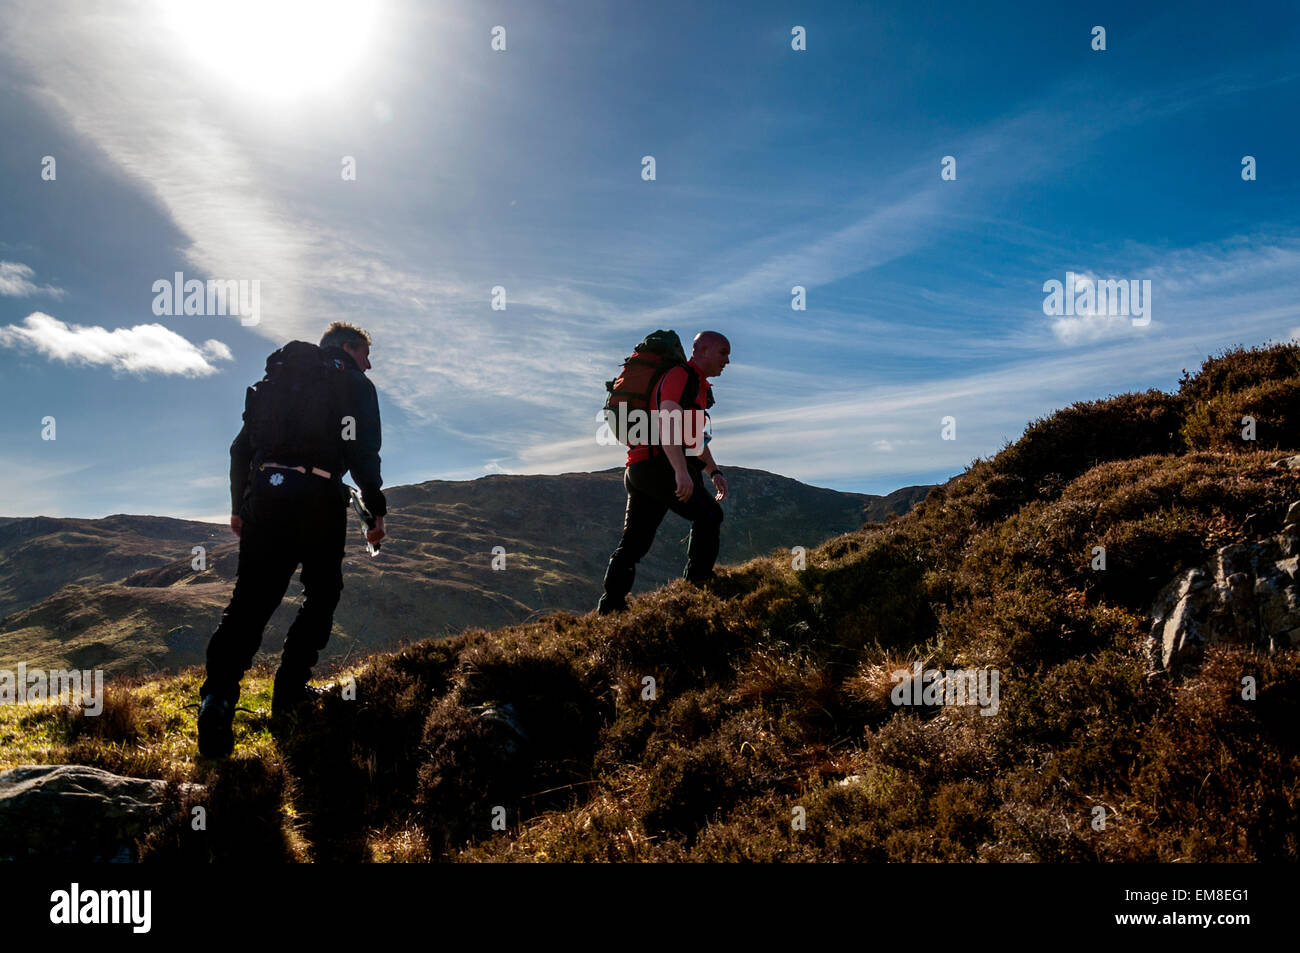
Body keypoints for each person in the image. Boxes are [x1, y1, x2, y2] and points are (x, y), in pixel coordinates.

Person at [197, 322, 387, 757]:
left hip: (266, 498)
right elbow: (361, 449)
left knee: (249, 603)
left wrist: (238, 506)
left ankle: (218, 700)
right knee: (322, 594)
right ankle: (290, 693)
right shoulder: (353, 382)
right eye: (365, 353)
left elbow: (240, 449)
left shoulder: (279, 381)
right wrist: (376, 509)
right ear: (347, 348)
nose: (369, 363)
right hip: (318, 499)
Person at [597, 331, 731, 614]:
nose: (727, 360)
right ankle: (698, 586)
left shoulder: (697, 385)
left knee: (635, 541)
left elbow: (694, 439)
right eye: (723, 352)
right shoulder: (680, 376)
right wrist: (680, 471)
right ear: (702, 350)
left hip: (640, 467)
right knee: (709, 516)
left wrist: (713, 471)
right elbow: (666, 421)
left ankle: (610, 607)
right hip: (660, 465)